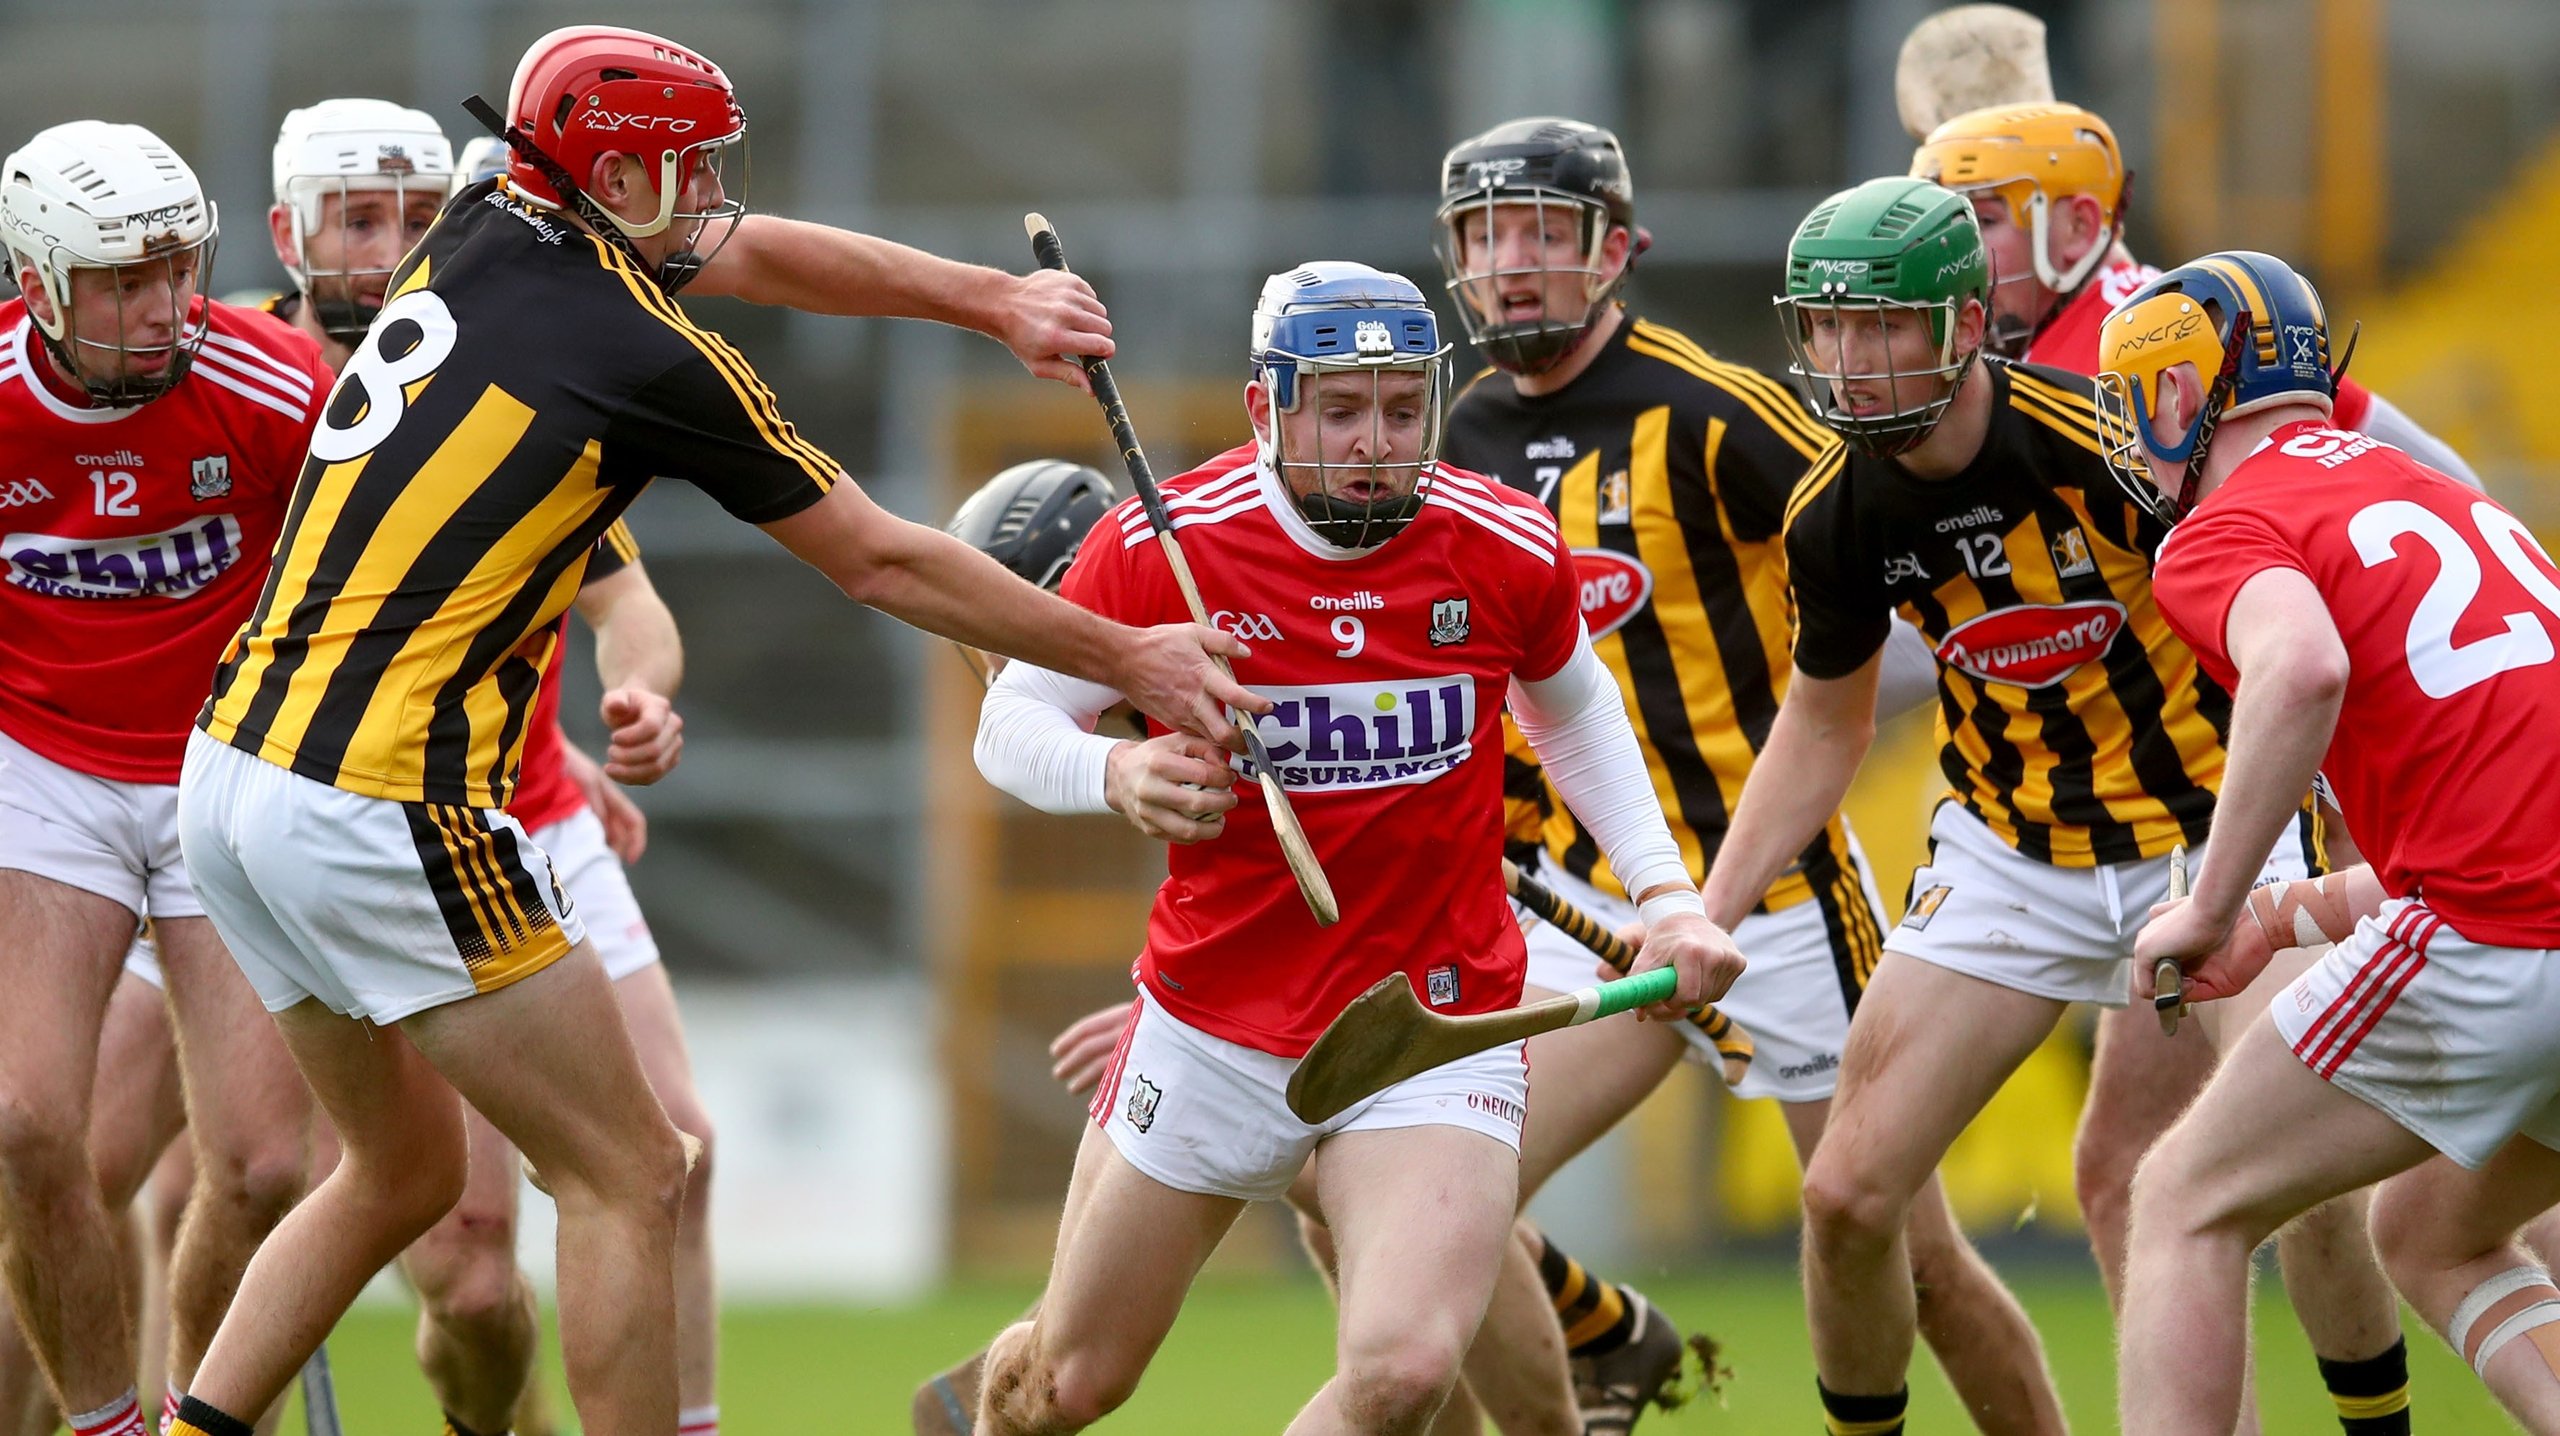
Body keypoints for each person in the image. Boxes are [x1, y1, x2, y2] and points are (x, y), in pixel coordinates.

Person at [162, 25, 1252, 1436]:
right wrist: (1126, 653)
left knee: (398, 1175)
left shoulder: (491, 213)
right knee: (635, 1171)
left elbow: (760, 254)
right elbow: (882, 560)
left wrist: (993, 301)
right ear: (616, 178)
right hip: (381, 798)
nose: (713, 197)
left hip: (231, 774)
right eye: (687, 168)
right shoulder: (648, 353)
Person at [967, 261, 1741, 1435]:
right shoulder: (1163, 545)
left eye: (1399, 406)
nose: (1374, 440)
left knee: (1403, 1370)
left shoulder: (1500, 541)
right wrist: (1113, 773)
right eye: (1338, 409)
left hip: (1432, 1025)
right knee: (1067, 1384)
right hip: (1214, 1023)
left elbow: (1575, 716)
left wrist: (1668, 895)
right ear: (1264, 407)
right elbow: (1009, 723)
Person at [1430, 115, 2058, 1436]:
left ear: (1616, 249)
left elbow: (1880, 565)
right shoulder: (1457, 438)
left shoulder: (1717, 411)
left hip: (1773, 906)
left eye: (1542, 230)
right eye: (1486, 235)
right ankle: (1605, 1343)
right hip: (1583, 904)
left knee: (1912, 1258)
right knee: (1421, 1208)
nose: (1512, 263)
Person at [1693, 175, 2319, 1436]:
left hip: (2209, 831)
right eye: (1827, 327)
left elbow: (2283, 632)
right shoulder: (1833, 509)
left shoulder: (2107, 442)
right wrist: (1706, 914)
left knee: (2306, 1177)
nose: (1849, 361)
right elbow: (1822, 725)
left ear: (1970, 322)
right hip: (2011, 852)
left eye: (1882, 325)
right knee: (1846, 1197)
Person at [1912, 98, 2433, 1433]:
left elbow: (2392, 466)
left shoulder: (2165, 340)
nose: (1957, 250)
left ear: (2077, 223)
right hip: (2159, 814)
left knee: (2322, 1167)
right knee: (2141, 1166)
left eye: (1983, 220)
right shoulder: (2027, 345)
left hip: (2246, 800)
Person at [266, 96, 723, 1436]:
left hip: (534, 820)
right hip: (366, 831)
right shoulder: (253, 388)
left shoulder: (507, 370)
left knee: (674, 1152)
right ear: (292, 234)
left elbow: (624, 605)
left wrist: (628, 701)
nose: (394, 246)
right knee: (462, 1281)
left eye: (420, 218)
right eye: (362, 219)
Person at [2104, 251, 2560, 1435]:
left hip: (2503, 941)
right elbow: (2498, 815)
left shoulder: (2226, 524)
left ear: (2177, 392)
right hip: (2527, 920)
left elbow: (2302, 665)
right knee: (2432, 1231)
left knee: (2181, 1197)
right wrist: (2271, 918)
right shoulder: (2442, 493)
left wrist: (2207, 903)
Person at [0, 119, 335, 1436]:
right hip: (43, 766)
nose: (163, 308)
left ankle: (204, 1423)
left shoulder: (275, 384)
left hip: (227, 772)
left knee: (260, 1166)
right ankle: (104, 1427)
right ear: (39, 283)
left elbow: (369, 579)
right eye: (122, 283)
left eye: (177, 270)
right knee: (26, 1124)